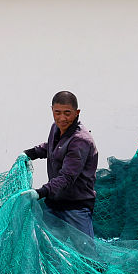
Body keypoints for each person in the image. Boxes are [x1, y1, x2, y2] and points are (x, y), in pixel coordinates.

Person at [23, 91, 99, 238]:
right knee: (48, 247)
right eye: (57, 112)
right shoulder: (56, 128)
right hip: (54, 203)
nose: (62, 118)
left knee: (84, 250)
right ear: (52, 110)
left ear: (77, 113)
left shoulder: (81, 140)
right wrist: (31, 153)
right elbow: (52, 147)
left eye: (67, 113)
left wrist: (40, 192)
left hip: (76, 207)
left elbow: (67, 177)